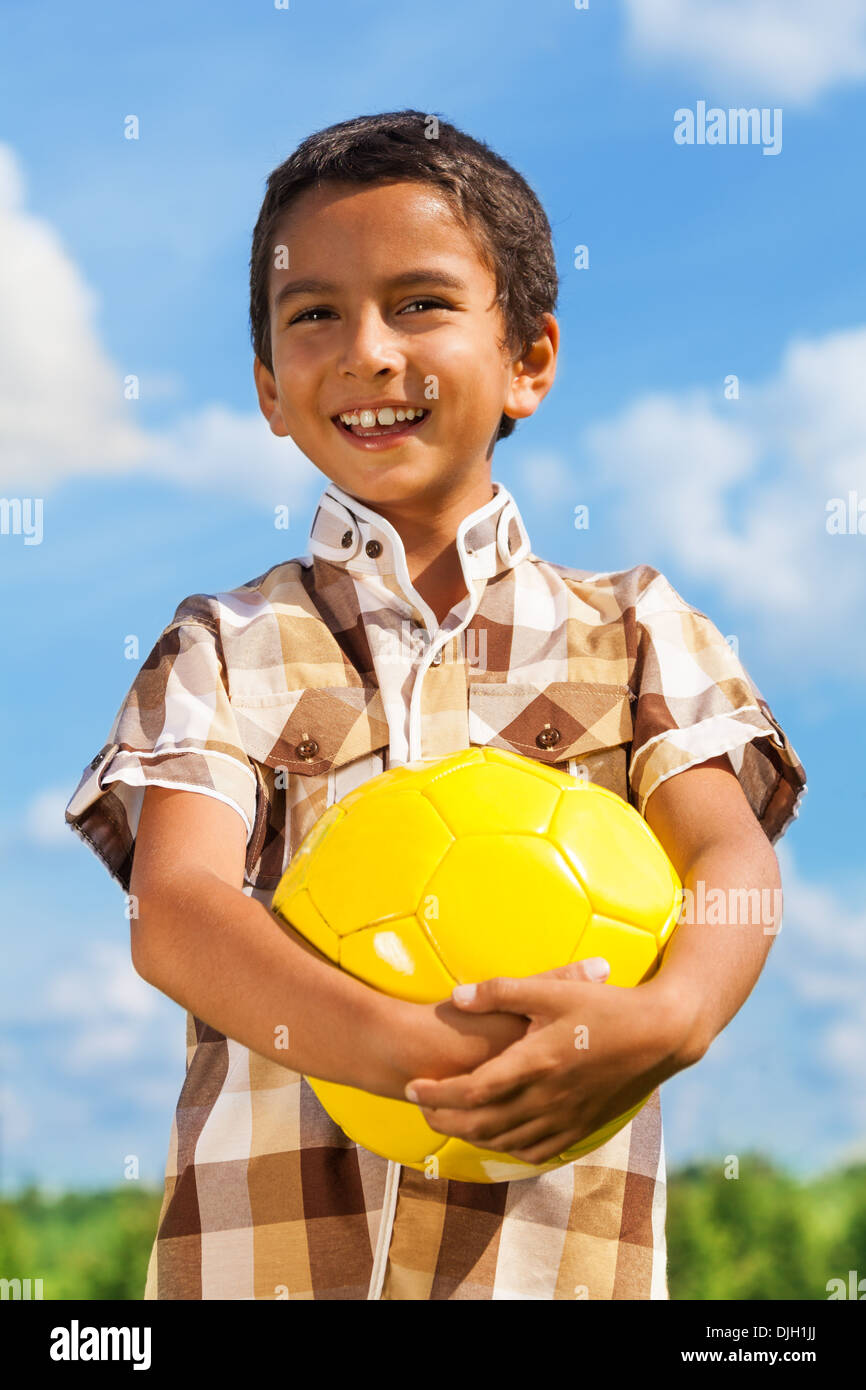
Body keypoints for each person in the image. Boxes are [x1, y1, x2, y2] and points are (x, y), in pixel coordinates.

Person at [66, 109, 807, 1300]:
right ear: (267, 386)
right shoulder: (222, 644)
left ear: (529, 359)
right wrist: (395, 1053)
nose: (365, 349)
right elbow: (177, 907)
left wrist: (674, 1015)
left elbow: (727, 855)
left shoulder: (636, 629)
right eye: (314, 314)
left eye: (419, 303)